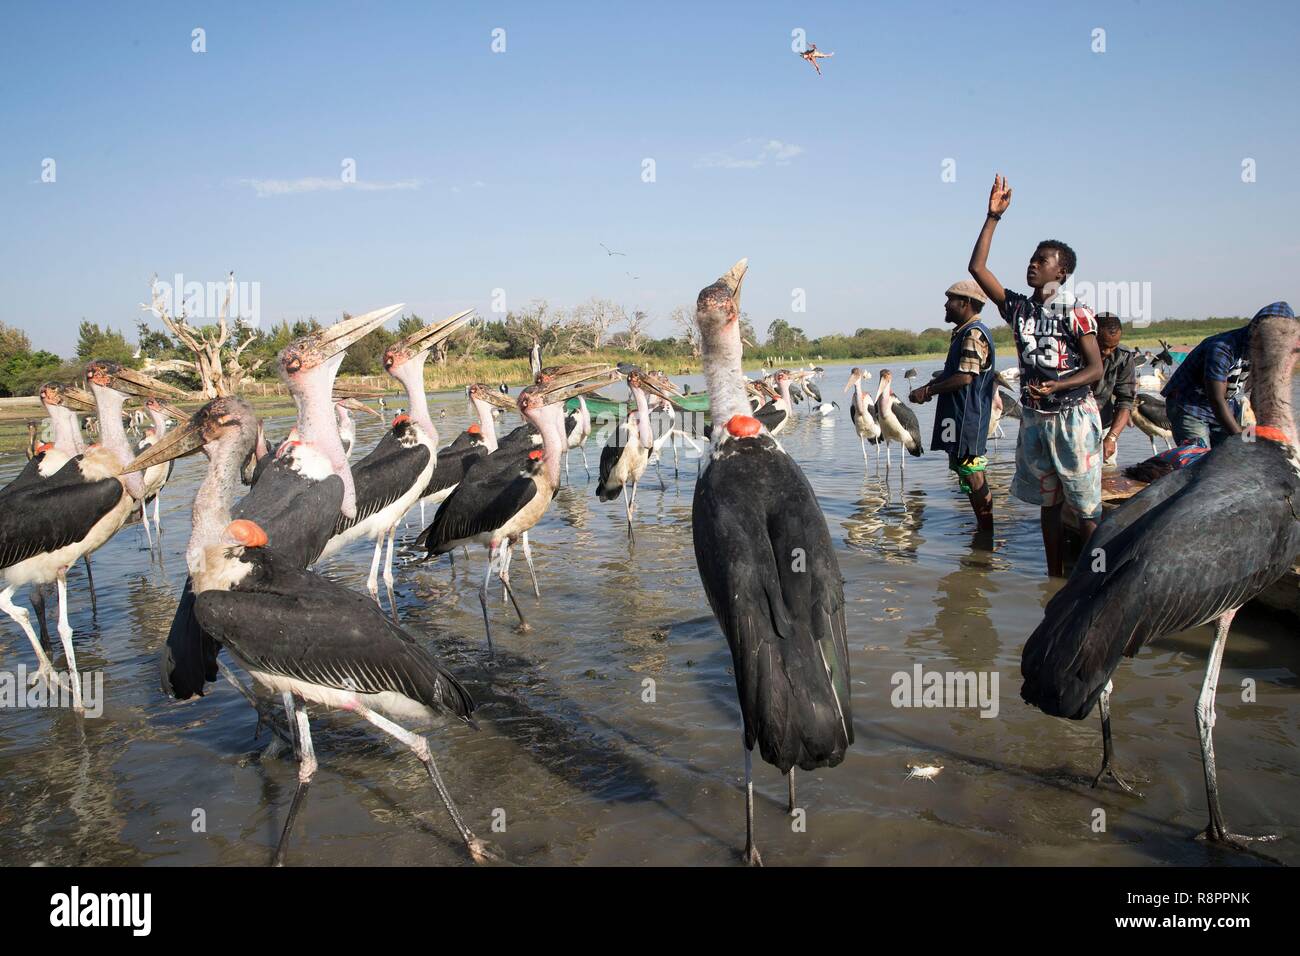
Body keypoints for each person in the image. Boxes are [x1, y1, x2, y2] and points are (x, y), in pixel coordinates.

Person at [968, 174, 1105, 577]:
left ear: (1060, 273)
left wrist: (1058, 384)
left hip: (1073, 418)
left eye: (1041, 260)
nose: (1032, 263)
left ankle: (1093, 583)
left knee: (1086, 507)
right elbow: (977, 267)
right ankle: (1053, 578)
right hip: (1035, 419)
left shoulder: (1076, 313)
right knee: (1049, 505)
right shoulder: (1018, 309)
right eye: (1032, 258)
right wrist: (992, 217)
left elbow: (1095, 369)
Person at [909, 280, 996, 534]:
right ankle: (982, 531)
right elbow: (954, 372)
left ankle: (986, 534)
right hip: (959, 417)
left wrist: (928, 391)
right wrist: (930, 386)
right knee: (967, 472)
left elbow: (965, 377)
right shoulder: (963, 332)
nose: (946, 305)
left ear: (965, 303)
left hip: (969, 417)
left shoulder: (973, 334)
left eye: (950, 300)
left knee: (973, 473)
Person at [1161, 302, 1294, 447]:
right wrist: (1240, 439)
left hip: (1227, 405)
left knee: (1236, 459)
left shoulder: (1267, 351)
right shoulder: (1223, 348)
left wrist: (1262, 433)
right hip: (1190, 405)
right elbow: (1216, 398)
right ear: (1256, 330)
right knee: (1198, 460)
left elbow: (1258, 396)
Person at [1091, 312, 1137, 465]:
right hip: (1072, 428)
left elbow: (1125, 400)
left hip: (1103, 426)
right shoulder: (1073, 353)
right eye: (1102, 345)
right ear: (1091, 337)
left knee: (1108, 477)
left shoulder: (1123, 357)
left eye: (1113, 347)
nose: (1106, 352)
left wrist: (1112, 437)